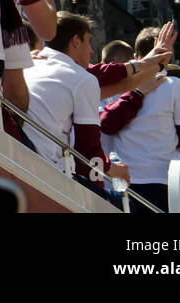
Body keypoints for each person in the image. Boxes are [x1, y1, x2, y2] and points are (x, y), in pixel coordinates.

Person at [98, 26, 180, 213]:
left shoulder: (121, 86)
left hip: (124, 182)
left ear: (136, 57)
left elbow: (107, 123)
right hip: (163, 181)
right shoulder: (175, 86)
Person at [23, 12, 128, 193]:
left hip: (22, 155)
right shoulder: (83, 79)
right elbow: (89, 149)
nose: (92, 51)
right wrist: (114, 171)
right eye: (88, 41)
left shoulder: (30, 64)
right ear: (76, 41)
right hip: (50, 171)